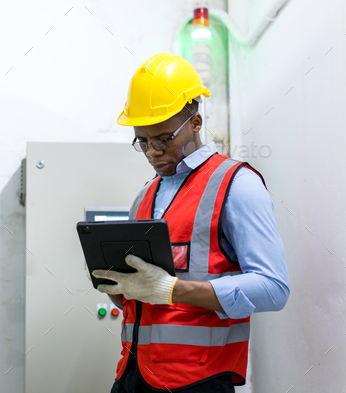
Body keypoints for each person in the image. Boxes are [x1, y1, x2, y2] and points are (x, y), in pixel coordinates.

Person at [91, 53, 290, 393]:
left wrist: (172, 290)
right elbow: (139, 302)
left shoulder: (236, 184)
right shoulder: (145, 197)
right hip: (132, 376)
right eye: (143, 142)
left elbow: (274, 288)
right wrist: (114, 283)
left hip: (198, 382)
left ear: (195, 123)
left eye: (163, 139)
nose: (153, 152)